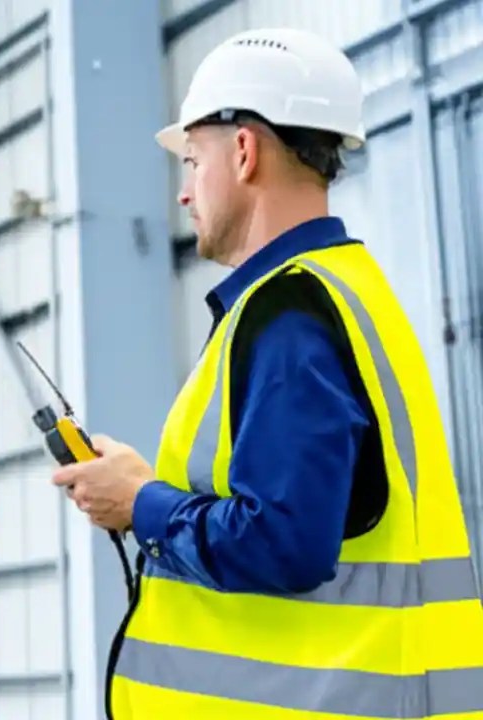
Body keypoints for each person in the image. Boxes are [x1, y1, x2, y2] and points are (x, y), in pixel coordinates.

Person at [51, 27, 483, 718]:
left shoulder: (287, 312)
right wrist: (143, 489)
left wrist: (141, 504)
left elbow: (282, 542)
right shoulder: (348, 289)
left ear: (244, 151)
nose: (186, 193)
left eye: (193, 161)